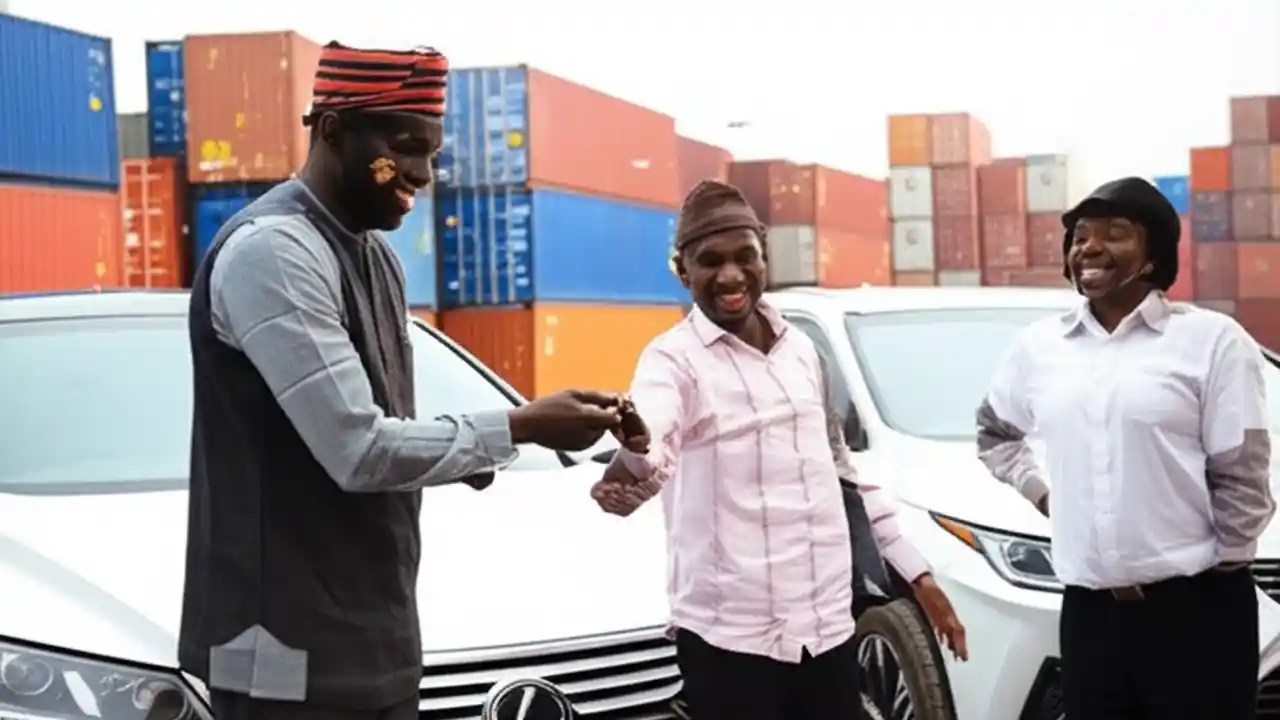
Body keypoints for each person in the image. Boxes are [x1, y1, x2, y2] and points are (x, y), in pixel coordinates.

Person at [179, 41, 626, 720]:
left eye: (433, 153)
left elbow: (396, 432)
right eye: (406, 145)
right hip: (281, 657)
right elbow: (359, 449)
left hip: (373, 645)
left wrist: (505, 444)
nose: (422, 171)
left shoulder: (378, 258)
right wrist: (522, 426)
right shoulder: (273, 252)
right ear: (333, 130)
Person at [590, 180, 968, 720]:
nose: (730, 276)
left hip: (827, 631)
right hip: (733, 644)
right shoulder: (672, 362)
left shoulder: (801, 353)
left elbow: (843, 476)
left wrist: (919, 576)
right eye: (710, 261)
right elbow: (652, 439)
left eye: (745, 257)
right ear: (682, 270)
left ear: (764, 256)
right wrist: (636, 444)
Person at [976, 176, 1274, 719]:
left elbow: (1243, 471)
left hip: (1197, 612)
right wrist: (1047, 497)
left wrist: (1217, 569)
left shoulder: (1212, 340)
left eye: (1114, 233)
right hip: (1090, 619)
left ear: (1154, 255)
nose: (1089, 246)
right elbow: (994, 434)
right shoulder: (1039, 348)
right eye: (1079, 236)